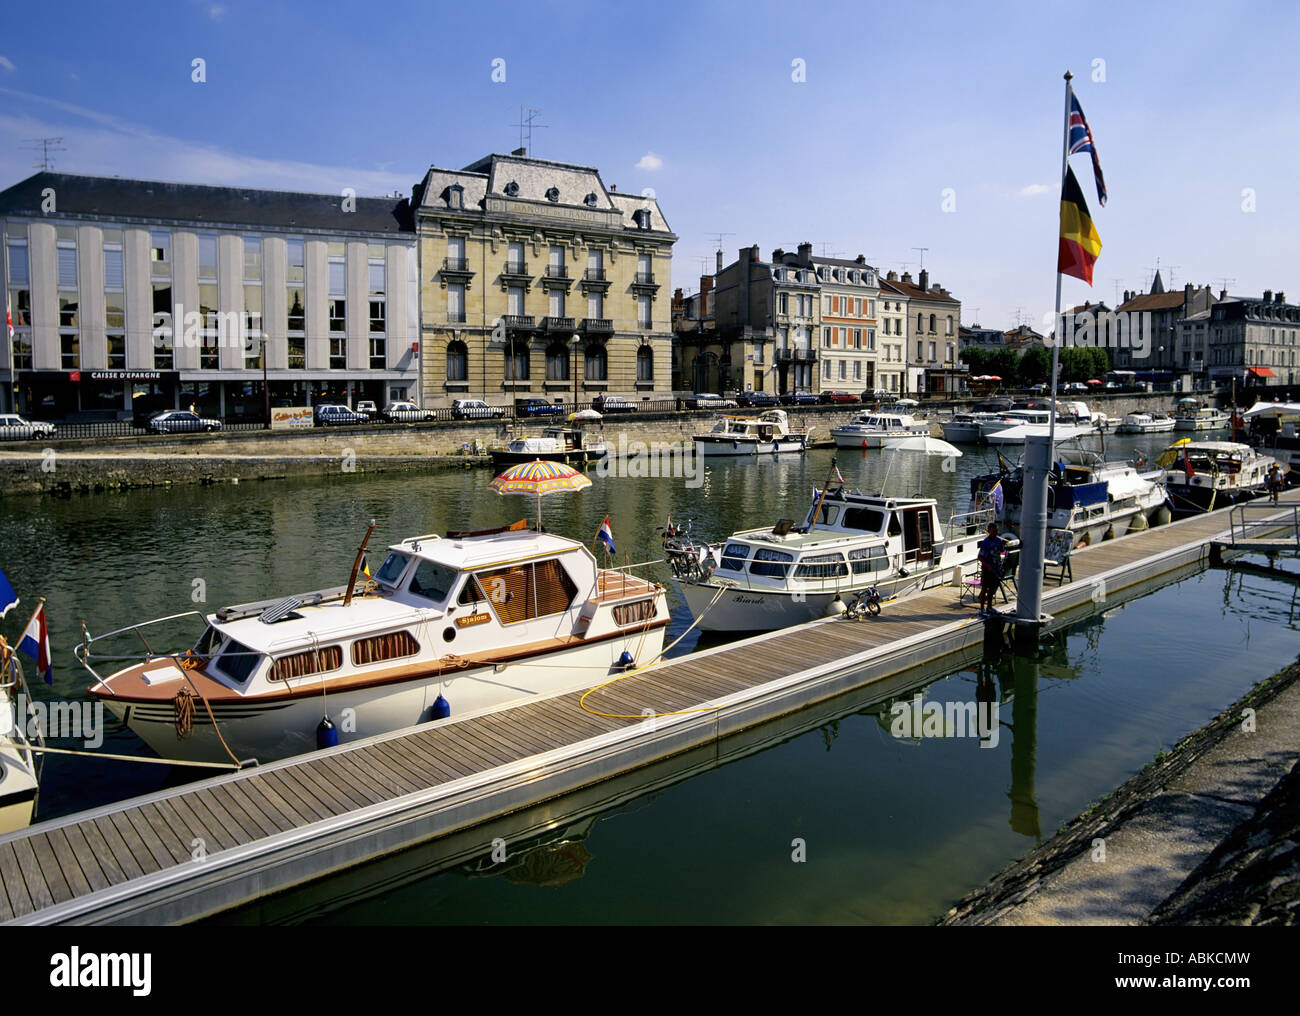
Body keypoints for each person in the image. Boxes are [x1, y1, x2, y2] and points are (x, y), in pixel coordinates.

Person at [976, 522, 1006, 618]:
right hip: (987, 570)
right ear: (989, 531)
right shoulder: (985, 542)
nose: (995, 533)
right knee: (984, 588)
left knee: (992, 589)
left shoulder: (998, 541)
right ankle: (981, 609)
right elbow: (980, 557)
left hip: (996, 569)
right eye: (993, 531)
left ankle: (989, 607)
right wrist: (987, 566)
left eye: (996, 531)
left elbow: (1002, 551)